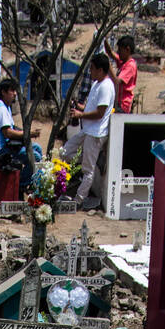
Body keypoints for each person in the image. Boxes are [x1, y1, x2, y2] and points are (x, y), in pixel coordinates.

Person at [63, 51, 115, 210]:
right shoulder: (96, 84)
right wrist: (79, 107)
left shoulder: (106, 86)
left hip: (96, 132)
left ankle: (79, 200)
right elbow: (92, 107)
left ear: (100, 70)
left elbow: (100, 113)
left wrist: (81, 114)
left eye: (92, 69)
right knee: (65, 151)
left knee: (88, 170)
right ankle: (85, 162)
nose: (90, 72)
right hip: (88, 129)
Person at [0, 77, 36, 190]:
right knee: (34, 156)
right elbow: (8, 133)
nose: (15, 94)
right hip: (2, 150)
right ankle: (20, 185)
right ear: (3, 92)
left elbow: (13, 127)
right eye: (12, 91)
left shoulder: (6, 107)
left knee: (36, 148)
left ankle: (26, 182)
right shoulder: (0, 108)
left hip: (10, 147)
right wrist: (27, 134)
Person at [110, 34, 137, 113]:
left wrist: (109, 67)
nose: (118, 52)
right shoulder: (123, 62)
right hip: (117, 103)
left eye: (120, 50)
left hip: (122, 105)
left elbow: (117, 81)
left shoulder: (130, 65)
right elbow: (111, 53)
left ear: (127, 49)